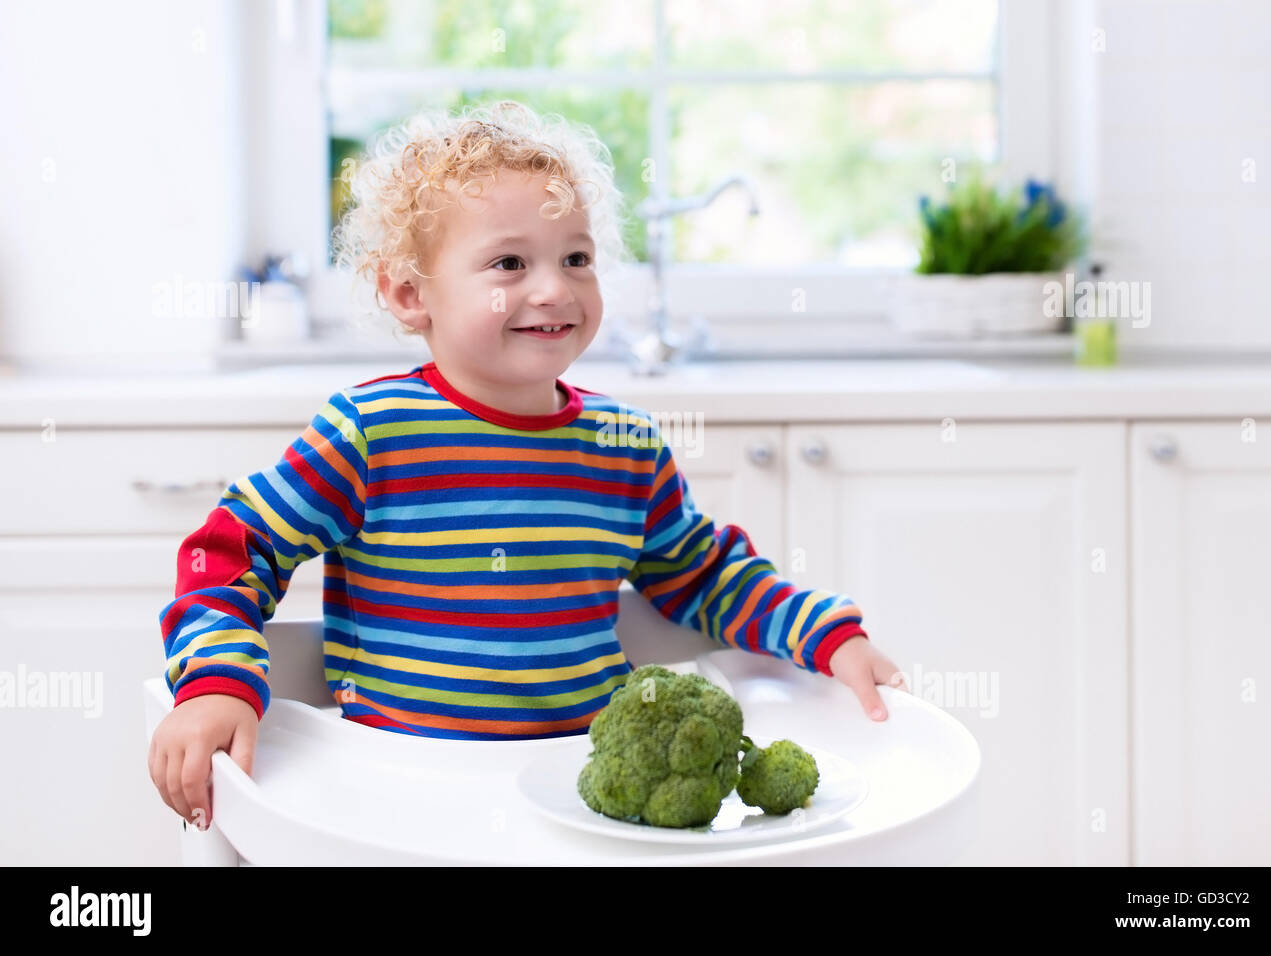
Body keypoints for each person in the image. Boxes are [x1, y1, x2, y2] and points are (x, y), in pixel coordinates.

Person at [148, 100, 907, 829]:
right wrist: (217, 685)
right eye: (509, 262)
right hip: (406, 796)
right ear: (410, 294)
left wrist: (826, 634)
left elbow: (703, 575)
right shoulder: (369, 435)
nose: (554, 288)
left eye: (576, 257)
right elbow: (229, 555)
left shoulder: (625, 444)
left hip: (581, 794)